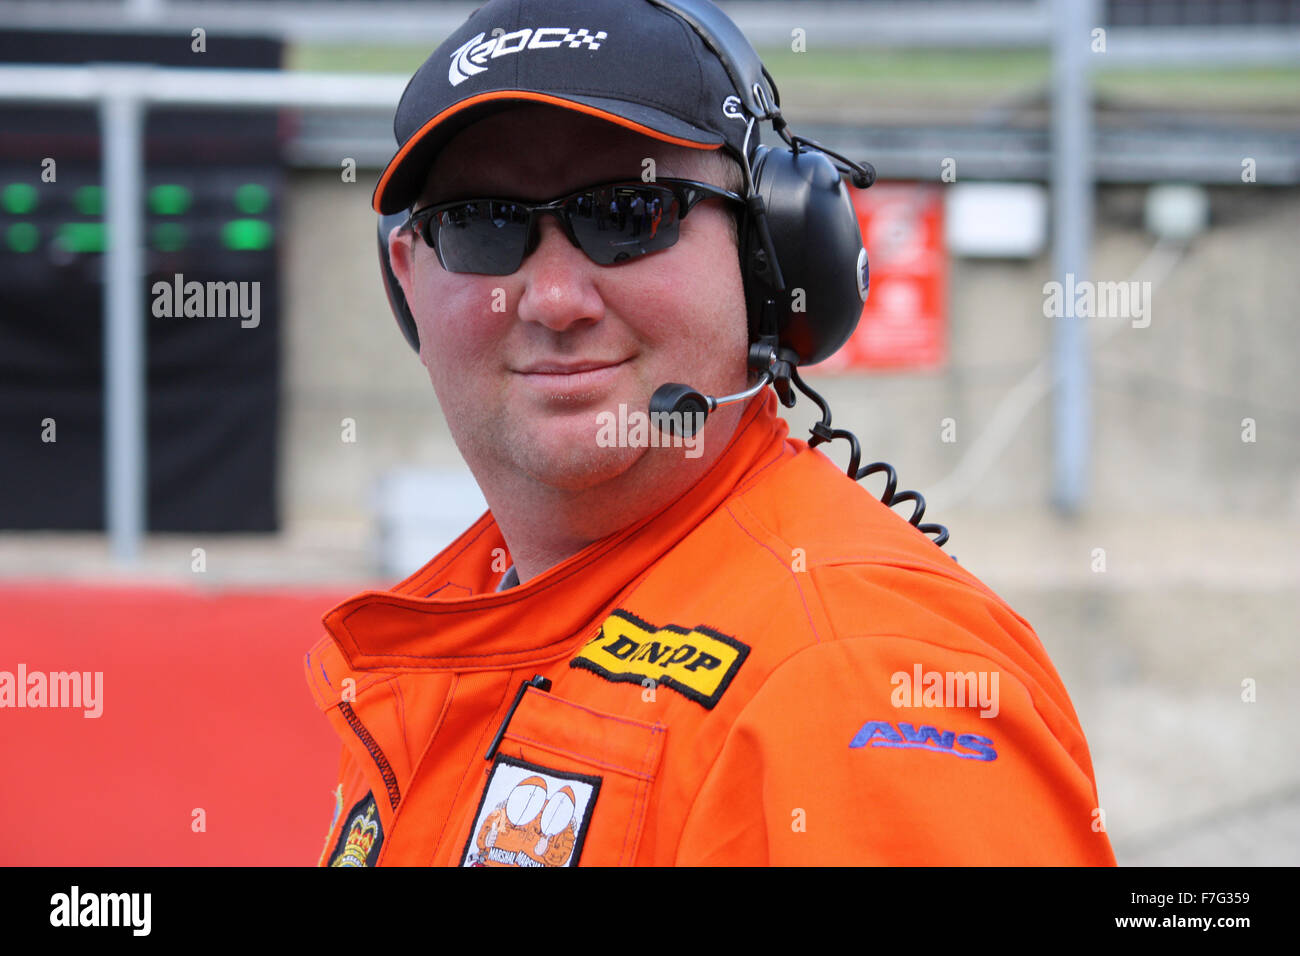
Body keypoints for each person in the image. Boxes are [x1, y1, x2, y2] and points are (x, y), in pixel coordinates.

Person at [305, 0, 1116, 867]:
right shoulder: (464, 622)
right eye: (481, 225)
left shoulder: (861, 683)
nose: (551, 301)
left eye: (627, 213)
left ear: (770, 252)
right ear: (407, 281)